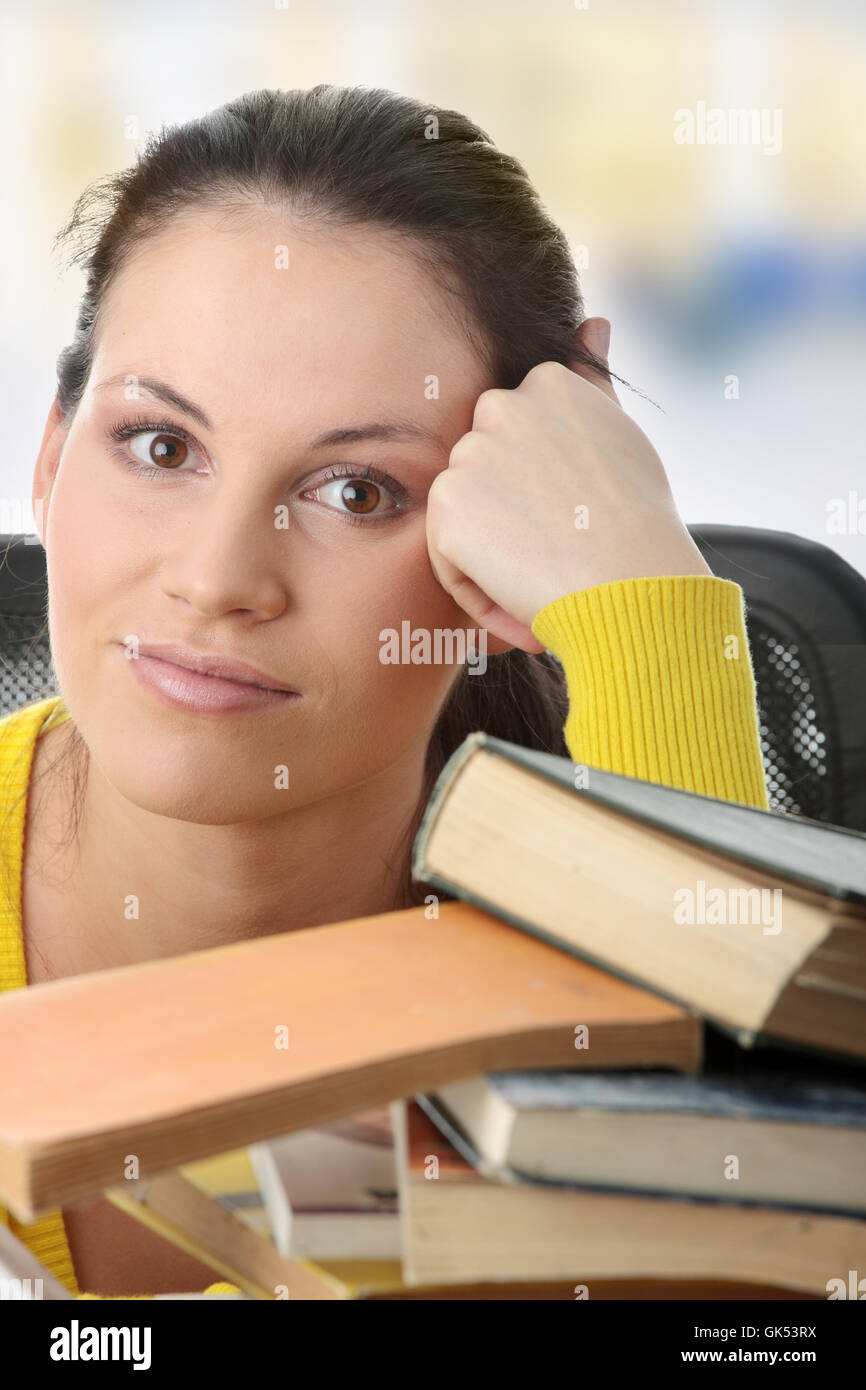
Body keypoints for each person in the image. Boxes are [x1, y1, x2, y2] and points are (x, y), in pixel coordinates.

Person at [0, 84, 769, 1299]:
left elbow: (749, 1282)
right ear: (49, 459)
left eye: (356, 490)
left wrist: (639, 605)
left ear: (492, 533)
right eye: (160, 446)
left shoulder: (569, 963)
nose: (217, 579)